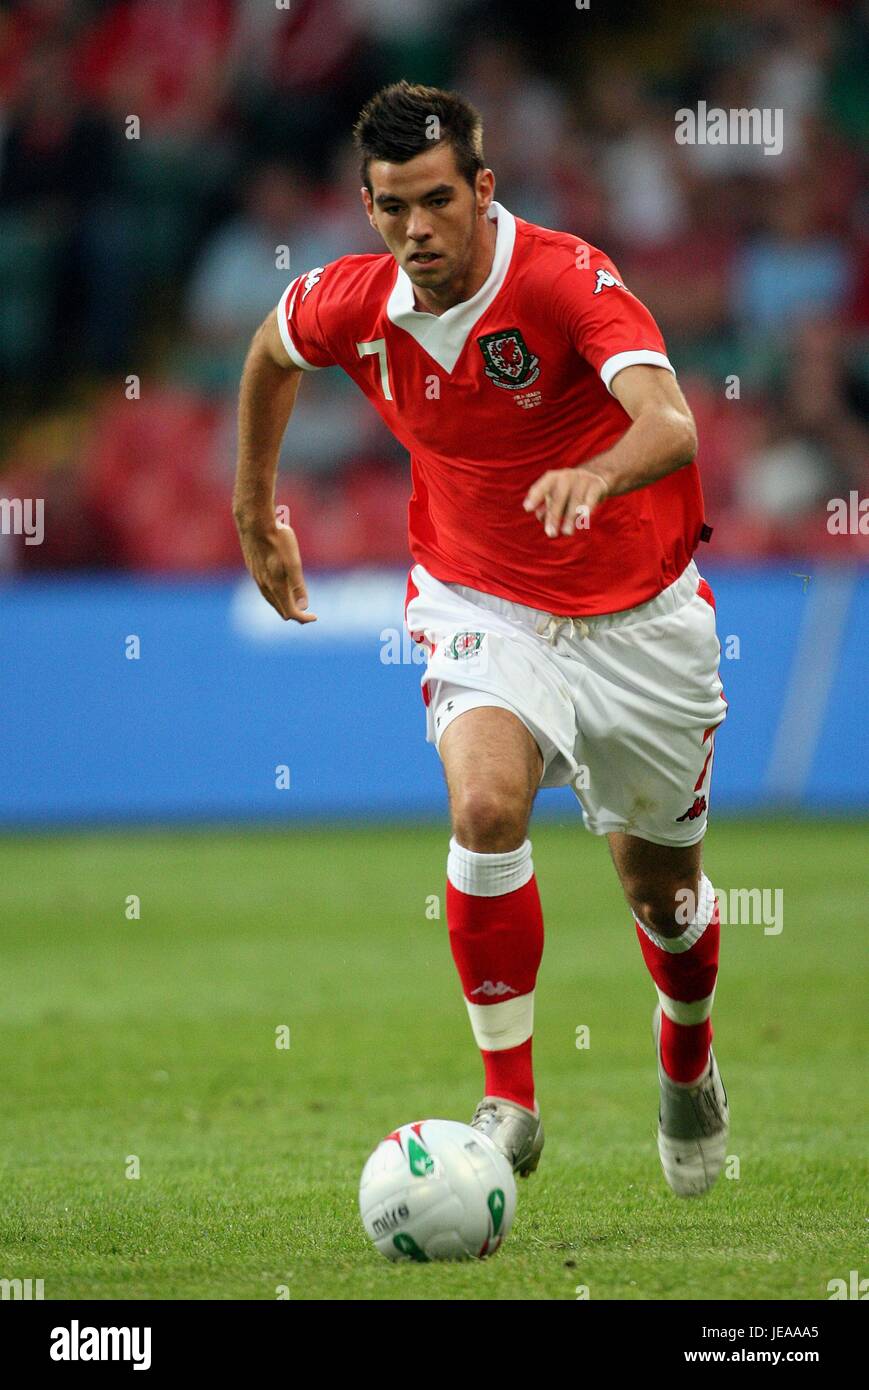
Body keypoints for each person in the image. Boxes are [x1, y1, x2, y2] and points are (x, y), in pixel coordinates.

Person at [233, 81, 729, 1197]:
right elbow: (269, 354)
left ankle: (686, 1046)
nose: (417, 229)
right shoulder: (355, 300)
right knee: (484, 806)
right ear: (367, 207)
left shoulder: (560, 279)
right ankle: (509, 1100)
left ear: (482, 189)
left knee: (664, 901)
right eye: (392, 206)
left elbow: (669, 420)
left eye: (438, 201)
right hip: (480, 603)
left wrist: (593, 475)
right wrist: (253, 512)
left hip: (640, 622)